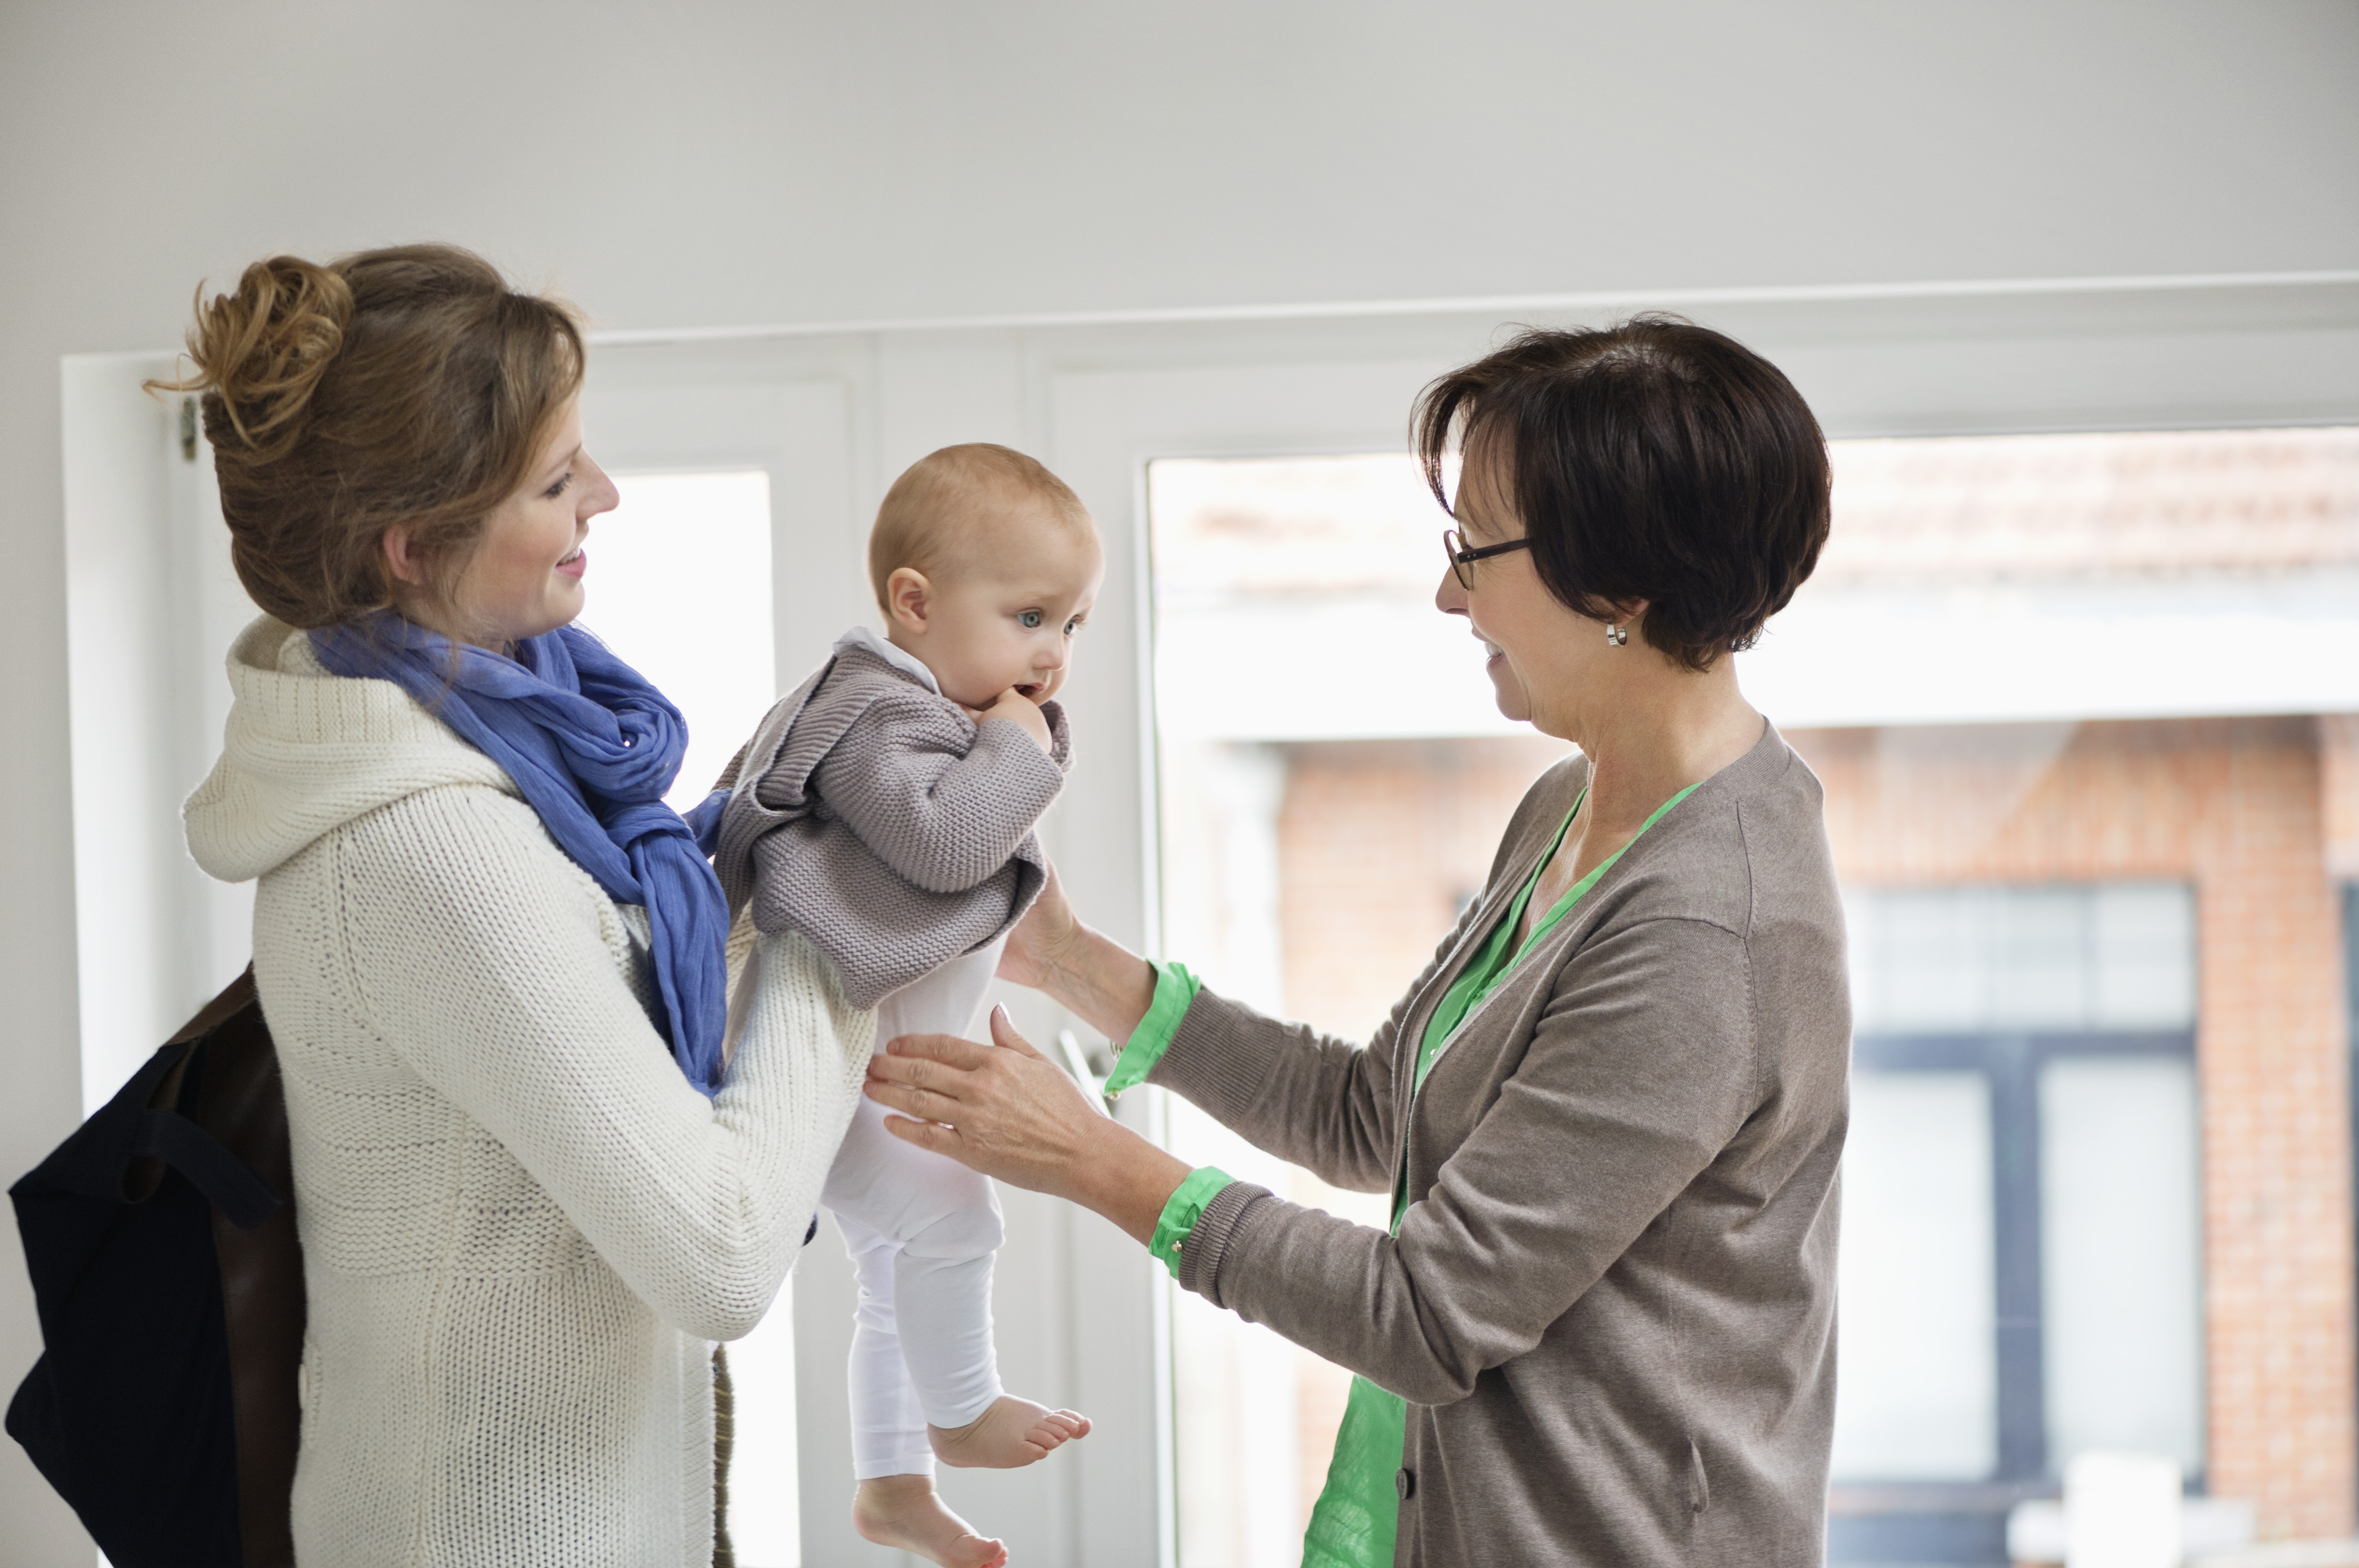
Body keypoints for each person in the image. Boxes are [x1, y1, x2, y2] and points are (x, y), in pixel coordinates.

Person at [864, 318, 1851, 1567]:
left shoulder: (1709, 932)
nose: (1451, 592)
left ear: (1622, 590)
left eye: (1475, 549)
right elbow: (1378, 1114)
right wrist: (1070, 959)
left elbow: (1427, 1313)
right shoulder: (1576, 802)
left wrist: (1091, 1159)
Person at [170, 245, 871, 1565]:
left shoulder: (491, 758)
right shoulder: (431, 850)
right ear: (413, 547)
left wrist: (785, 815)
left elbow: (598, 985)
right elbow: (721, 1251)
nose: (604, 494)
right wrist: (854, 927)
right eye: (555, 482)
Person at [712, 444, 1100, 1568]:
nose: (1054, 654)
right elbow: (945, 844)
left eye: (1074, 624)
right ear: (916, 604)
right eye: (1030, 616)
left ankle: (892, 1485)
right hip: (831, 1070)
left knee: (896, 1271)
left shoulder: (922, 708)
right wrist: (1021, 749)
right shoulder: (872, 715)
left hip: (880, 1064)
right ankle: (961, 1411)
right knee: (956, 1226)